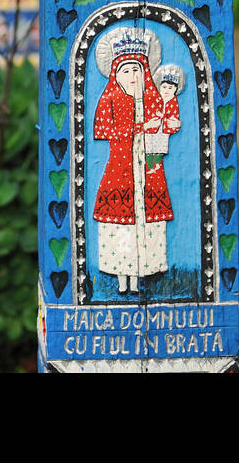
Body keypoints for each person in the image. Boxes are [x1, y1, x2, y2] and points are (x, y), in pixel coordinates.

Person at [92, 28, 174, 293]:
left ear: (145, 72)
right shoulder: (110, 99)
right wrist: (138, 127)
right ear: (116, 73)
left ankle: (141, 278)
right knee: (121, 228)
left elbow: (163, 123)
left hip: (150, 168)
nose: (132, 76)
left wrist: (165, 124)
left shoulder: (152, 99)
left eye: (137, 70)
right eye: (126, 71)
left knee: (147, 222)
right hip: (120, 170)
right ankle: (121, 280)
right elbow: (103, 131)